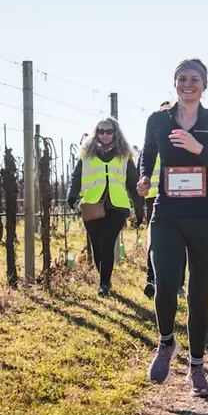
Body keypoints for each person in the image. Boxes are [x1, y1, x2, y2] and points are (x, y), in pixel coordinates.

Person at [138, 58, 208, 397]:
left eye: (195, 79)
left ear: (204, 85)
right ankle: (166, 343)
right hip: (167, 215)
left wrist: (199, 149)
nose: (188, 84)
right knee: (165, 284)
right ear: (175, 83)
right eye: (182, 78)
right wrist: (144, 177)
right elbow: (147, 154)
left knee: (198, 296)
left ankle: (196, 368)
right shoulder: (158, 119)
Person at [67, 117, 143, 297]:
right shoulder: (86, 154)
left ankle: (103, 285)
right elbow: (76, 177)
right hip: (92, 204)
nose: (105, 135)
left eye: (109, 131)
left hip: (117, 206)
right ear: (96, 133)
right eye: (101, 131)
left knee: (107, 243)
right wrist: (72, 195)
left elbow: (133, 184)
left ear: (115, 133)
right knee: (97, 247)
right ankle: (105, 278)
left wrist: (139, 210)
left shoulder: (125, 156)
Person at [142, 101, 172, 300]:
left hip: (174, 197)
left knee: (177, 240)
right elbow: (143, 167)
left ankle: (175, 281)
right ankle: (151, 279)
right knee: (154, 239)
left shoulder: (174, 144)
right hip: (153, 198)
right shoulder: (152, 145)